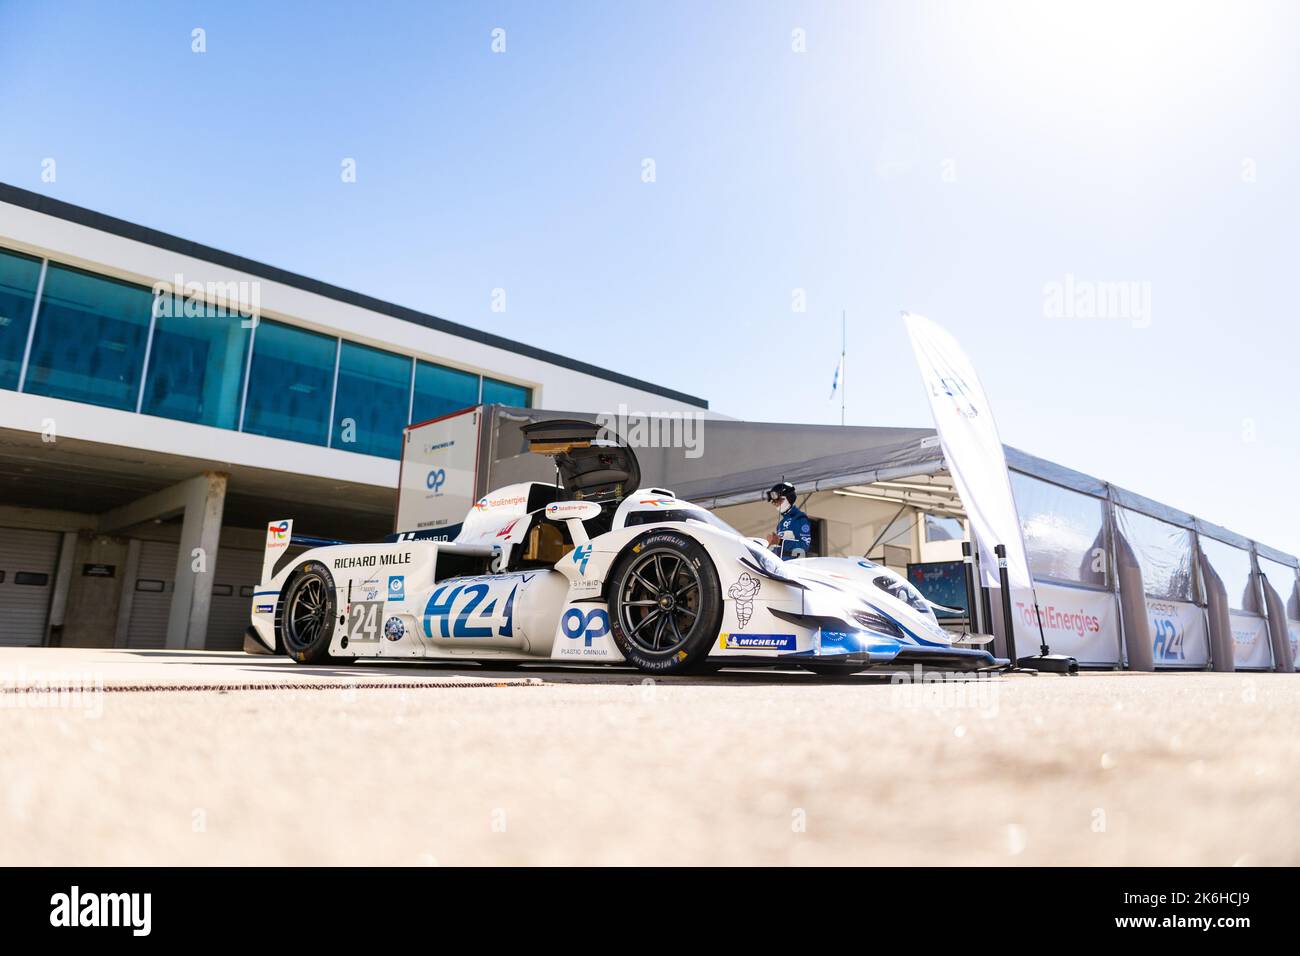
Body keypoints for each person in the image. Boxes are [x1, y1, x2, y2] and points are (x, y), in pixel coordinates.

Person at [765, 482, 812, 559]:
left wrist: (780, 542)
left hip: (793, 567)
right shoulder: (781, 524)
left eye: (779, 500)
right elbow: (779, 550)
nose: (776, 504)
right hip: (780, 566)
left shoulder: (800, 518)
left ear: (789, 499)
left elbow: (804, 547)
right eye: (774, 502)